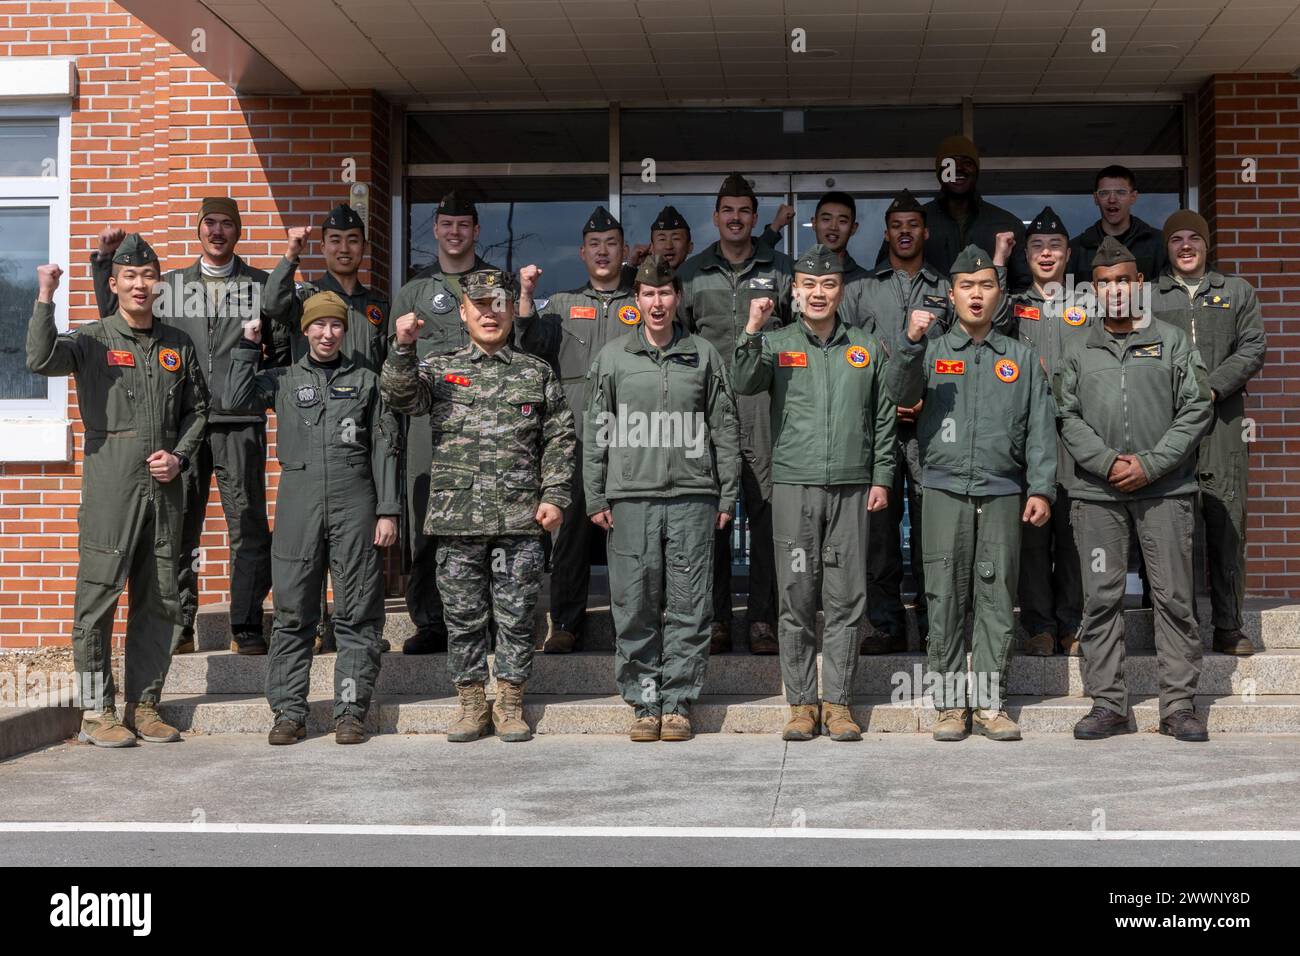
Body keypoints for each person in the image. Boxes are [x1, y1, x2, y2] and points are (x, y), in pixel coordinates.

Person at [381, 268, 577, 743]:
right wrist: (403, 347)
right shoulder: (440, 366)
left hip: (518, 516)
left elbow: (560, 436)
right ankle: (471, 703)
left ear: (512, 310)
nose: (489, 313)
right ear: (463, 311)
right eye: (479, 305)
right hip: (458, 517)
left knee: (516, 616)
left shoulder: (535, 372)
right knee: (463, 618)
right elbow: (400, 396)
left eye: (499, 304)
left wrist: (555, 495)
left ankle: (510, 702)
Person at [28, 236, 209, 746]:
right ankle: (95, 711)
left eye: (148, 275)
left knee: (159, 600)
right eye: (129, 276)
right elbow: (40, 359)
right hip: (111, 482)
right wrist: (46, 296)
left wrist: (180, 456)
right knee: (99, 599)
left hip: (163, 488)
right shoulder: (92, 339)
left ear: (158, 284)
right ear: (114, 284)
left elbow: (199, 410)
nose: (139, 284)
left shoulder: (177, 344)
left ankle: (145, 705)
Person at [91, 198, 285, 656]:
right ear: (198, 230)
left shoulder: (259, 285)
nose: (217, 232)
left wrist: (251, 390)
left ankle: (246, 625)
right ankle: (179, 625)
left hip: (240, 425)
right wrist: (104, 264)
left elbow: (280, 356)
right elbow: (115, 318)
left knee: (249, 528)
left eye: (226, 225)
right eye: (209, 224)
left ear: (238, 231)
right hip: (184, 424)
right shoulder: (172, 285)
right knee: (178, 526)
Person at [886, 245, 1056, 742]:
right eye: (966, 286)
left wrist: (1041, 487)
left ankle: (989, 702)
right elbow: (898, 394)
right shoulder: (934, 352)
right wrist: (912, 341)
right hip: (942, 490)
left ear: (998, 293)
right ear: (952, 294)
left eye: (985, 286)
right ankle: (948, 706)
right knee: (943, 598)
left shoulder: (1020, 357)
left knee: (996, 599)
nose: (976, 295)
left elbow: (1042, 430)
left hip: (1002, 491)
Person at [733, 244, 895, 741]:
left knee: (847, 600)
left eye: (827, 284)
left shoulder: (865, 347)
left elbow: (883, 419)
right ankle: (802, 703)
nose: (818, 293)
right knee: (797, 597)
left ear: (840, 289)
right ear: (795, 290)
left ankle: (839, 703)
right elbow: (743, 380)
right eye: (808, 284)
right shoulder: (778, 342)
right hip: (794, 486)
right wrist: (752, 329)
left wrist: (882, 477)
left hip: (850, 487)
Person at [1057, 237, 1213, 742]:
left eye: (1123, 280)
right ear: (1093, 290)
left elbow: (1196, 409)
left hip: (1166, 492)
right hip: (1097, 496)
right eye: (1104, 283)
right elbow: (1066, 415)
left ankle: (1179, 706)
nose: (1115, 290)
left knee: (1174, 599)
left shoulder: (1171, 341)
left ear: (1139, 283)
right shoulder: (1078, 349)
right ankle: (1109, 705)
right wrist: (1106, 463)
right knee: (1101, 600)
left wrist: (1150, 464)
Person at [228, 292, 399, 745]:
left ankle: (349, 711)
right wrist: (248, 345)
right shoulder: (282, 379)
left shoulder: (366, 380)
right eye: (319, 326)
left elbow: (384, 446)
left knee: (358, 612)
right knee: (292, 612)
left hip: (355, 498)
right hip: (298, 500)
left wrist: (388, 510)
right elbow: (233, 396)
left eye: (336, 326)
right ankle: (289, 712)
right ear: (305, 330)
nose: (327, 334)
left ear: (345, 331)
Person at [584, 255, 740, 742]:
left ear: (678, 298)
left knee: (690, 605)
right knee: (634, 604)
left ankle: (677, 704)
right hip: (631, 499)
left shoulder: (703, 353)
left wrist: (726, 493)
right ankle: (644, 703)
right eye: (648, 294)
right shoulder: (613, 357)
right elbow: (596, 430)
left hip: (693, 497)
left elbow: (725, 428)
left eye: (665, 293)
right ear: (637, 301)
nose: (657, 302)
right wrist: (594, 494)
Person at [264, 203, 392, 655]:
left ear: (364, 247)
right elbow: (271, 306)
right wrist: (289, 256)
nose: (344, 248)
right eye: (335, 241)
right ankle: (316, 627)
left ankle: (355, 626)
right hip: (313, 419)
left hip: (363, 416)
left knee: (356, 534)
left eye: (353, 240)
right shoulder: (304, 296)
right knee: (311, 537)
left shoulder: (377, 304)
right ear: (323, 247)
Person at [677, 172, 793, 655]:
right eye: (728, 210)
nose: (736, 218)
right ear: (716, 216)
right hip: (707, 410)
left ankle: (763, 619)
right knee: (712, 518)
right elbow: (678, 342)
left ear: (755, 217)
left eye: (745, 211)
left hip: (764, 406)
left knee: (766, 517)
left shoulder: (782, 270)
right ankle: (717, 619)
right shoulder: (691, 274)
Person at [516, 206, 636, 653]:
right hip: (576, 441)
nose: (603, 252)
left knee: (628, 540)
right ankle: (565, 623)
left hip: (629, 443)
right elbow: (530, 345)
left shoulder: (640, 303)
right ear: (583, 253)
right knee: (569, 537)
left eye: (611, 245)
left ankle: (630, 625)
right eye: (595, 246)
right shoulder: (563, 305)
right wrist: (526, 296)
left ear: (624, 252)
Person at [389, 191, 500, 656]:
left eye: (464, 225)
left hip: (487, 422)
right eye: (446, 224)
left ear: (476, 231)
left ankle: (490, 619)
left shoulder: (496, 282)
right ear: (435, 230)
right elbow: (394, 362)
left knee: (489, 523)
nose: (455, 233)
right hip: (426, 425)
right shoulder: (414, 291)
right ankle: (431, 621)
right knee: (425, 525)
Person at [1153, 210, 1267, 656]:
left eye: (1193, 239)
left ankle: (1229, 626)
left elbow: (1254, 346)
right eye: (1176, 239)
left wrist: (1211, 388)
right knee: (1171, 532)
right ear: (1167, 247)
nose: (1185, 246)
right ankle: (1181, 631)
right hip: (1167, 427)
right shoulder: (1149, 297)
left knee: (1226, 525)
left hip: (1223, 425)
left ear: (1206, 245)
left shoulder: (1236, 291)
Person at [998, 207, 1093, 657]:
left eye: (1054, 246)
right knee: (1033, 536)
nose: (1046, 253)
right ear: (1026, 257)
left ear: (1068, 254)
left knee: (1073, 535)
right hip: (1027, 438)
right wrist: (998, 264)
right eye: (1037, 247)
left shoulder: (1088, 304)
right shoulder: (1012, 304)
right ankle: (1037, 625)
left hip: (1077, 436)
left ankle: (1073, 624)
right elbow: (988, 326)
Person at [883, 135, 1029, 292]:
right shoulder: (915, 223)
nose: (958, 169)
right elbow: (884, 278)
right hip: (928, 314)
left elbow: (1023, 285)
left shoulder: (1006, 224)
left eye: (967, 163)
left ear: (977, 171)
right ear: (940, 173)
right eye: (949, 164)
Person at [1068, 165, 1168, 288]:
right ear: (1096, 198)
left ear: (1133, 197)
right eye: (1104, 193)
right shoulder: (1077, 249)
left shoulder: (1159, 243)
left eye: (1120, 192)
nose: (1112, 199)